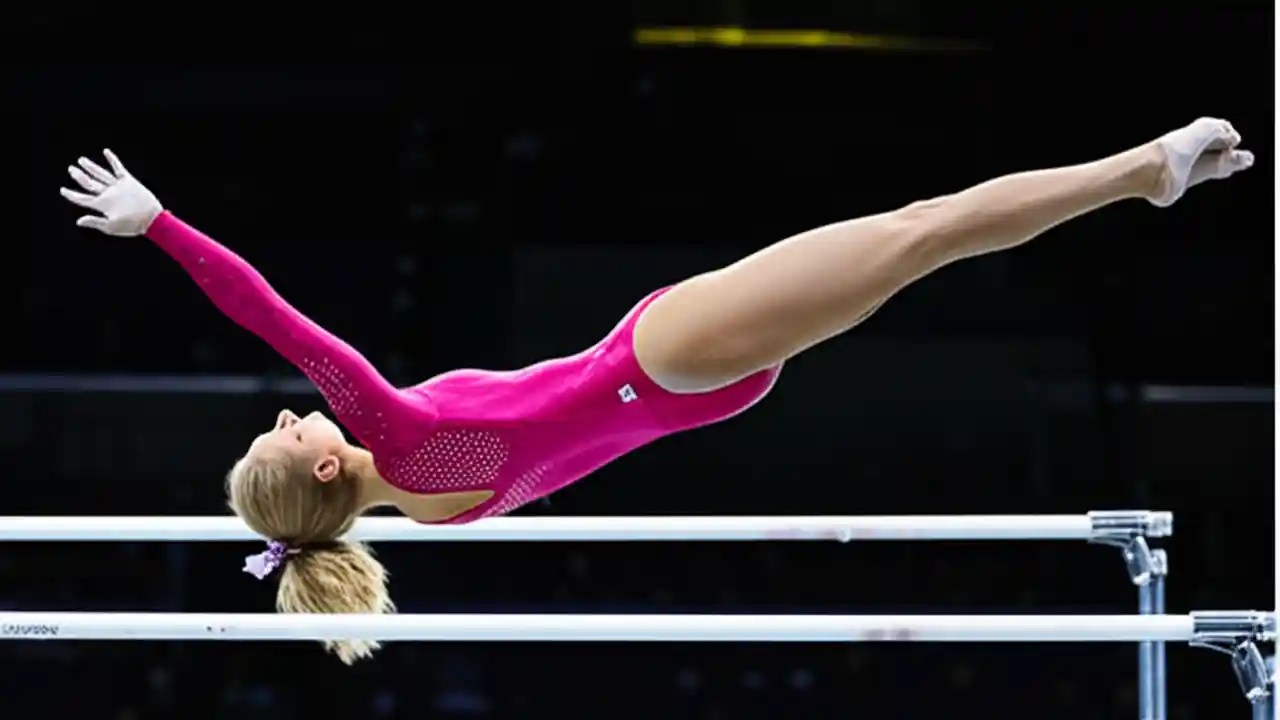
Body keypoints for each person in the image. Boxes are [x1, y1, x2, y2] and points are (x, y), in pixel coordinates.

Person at [59, 117, 1252, 663]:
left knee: (918, 238)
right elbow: (272, 315)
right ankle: (1141, 172)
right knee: (920, 231)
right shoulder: (393, 436)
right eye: (285, 429)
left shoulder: (429, 505)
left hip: (684, 382)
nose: (289, 407)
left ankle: (1140, 176)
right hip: (664, 359)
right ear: (325, 467)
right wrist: (158, 224)